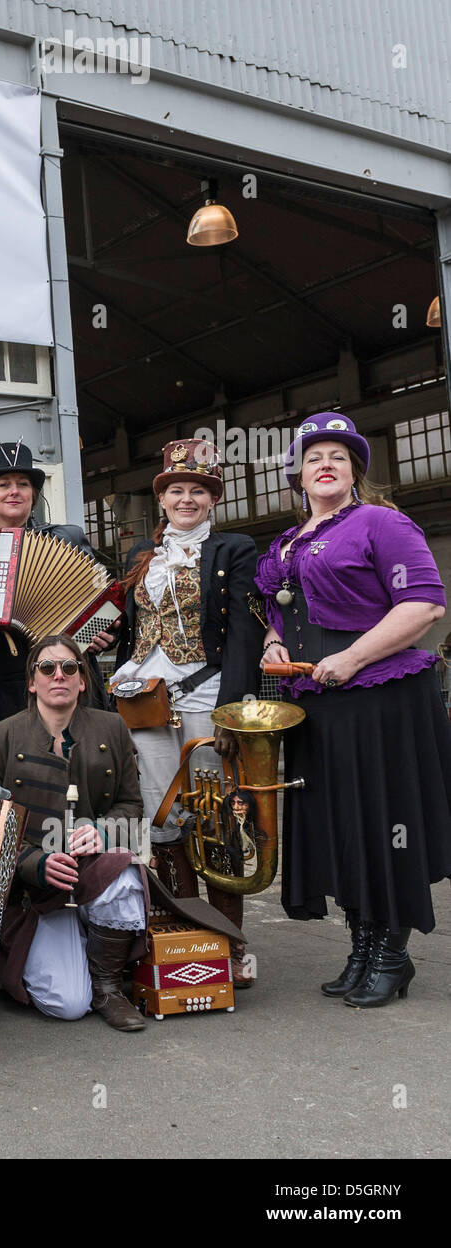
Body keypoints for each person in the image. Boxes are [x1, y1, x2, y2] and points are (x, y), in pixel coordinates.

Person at [255, 413, 451, 1008]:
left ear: (355, 470)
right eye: (314, 457)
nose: (325, 465)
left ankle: (393, 954)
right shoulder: (288, 543)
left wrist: (354, 658)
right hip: (318, 706)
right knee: (343, 825)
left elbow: (423, 606)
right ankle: (363, 946)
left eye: (338, 457)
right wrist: (272, 641)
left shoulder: (379, 522)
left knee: (385, 823)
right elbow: (277, 608)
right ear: (298, 475)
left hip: (381, 697)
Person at [0, 634, 242, 1031]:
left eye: (70, 668)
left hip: (93, 868)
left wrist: (103, 829)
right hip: (36, 888)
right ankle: (79, 949)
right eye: (46, 668)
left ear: (83, 680)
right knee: (67, 1004)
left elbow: (132, 807)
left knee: (123, 872)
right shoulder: (0, 736)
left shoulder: (112, 727)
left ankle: (107, 987)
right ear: (31, 681)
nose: (59, 676)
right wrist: (35, 863)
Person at [110, 439, 259, 985]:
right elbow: (129, 628)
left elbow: (245, 629)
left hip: (206, 688)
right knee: (162, 813)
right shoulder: (138, 557)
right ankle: (178, 935)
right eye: (177, 489)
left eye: (198, 490)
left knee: (212, 811)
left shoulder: (234, 549)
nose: (187, 498)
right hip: (143, 691)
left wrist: (233, 706)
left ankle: (229, 944)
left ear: (212, 498)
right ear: (163, 499)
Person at [0, 440, 113, 718]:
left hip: (66, 676)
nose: (14, 492)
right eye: (4, 485)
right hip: (6, 678)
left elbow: (101, 599)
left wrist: (101, 630)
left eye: (23, 484)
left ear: (33, 495)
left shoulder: (66, 538)